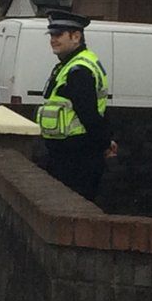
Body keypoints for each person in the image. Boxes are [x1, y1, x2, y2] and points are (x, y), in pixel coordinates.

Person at [36, 10, 118, 201]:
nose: (53, 40)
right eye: (52, 35)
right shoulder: (69, 64)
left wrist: (104, 143)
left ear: (76, 37)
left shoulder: (78, 70)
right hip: (69, 153)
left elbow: (89, 115)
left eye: (59, 35)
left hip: (77, 156)